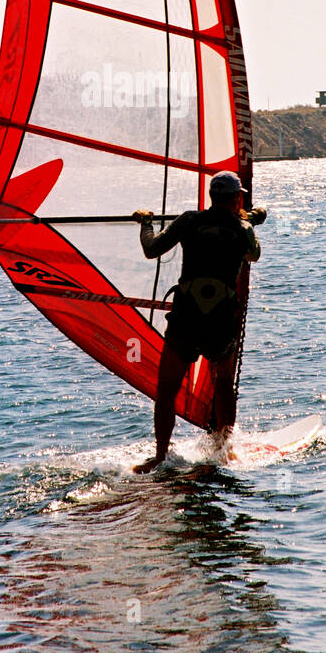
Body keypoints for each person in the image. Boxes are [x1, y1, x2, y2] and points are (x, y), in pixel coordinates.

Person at [131, 171, 265, 473]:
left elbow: (151, 249)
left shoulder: (189, 220)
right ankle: (224, 450)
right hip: (220, 320)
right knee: (224, 384)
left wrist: (147, 222)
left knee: (167, 389)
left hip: (186, 318)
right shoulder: (242, 227)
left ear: (211, 196)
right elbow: (253, 255)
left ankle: (160, 455)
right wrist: (249, 222)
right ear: (237, 199)